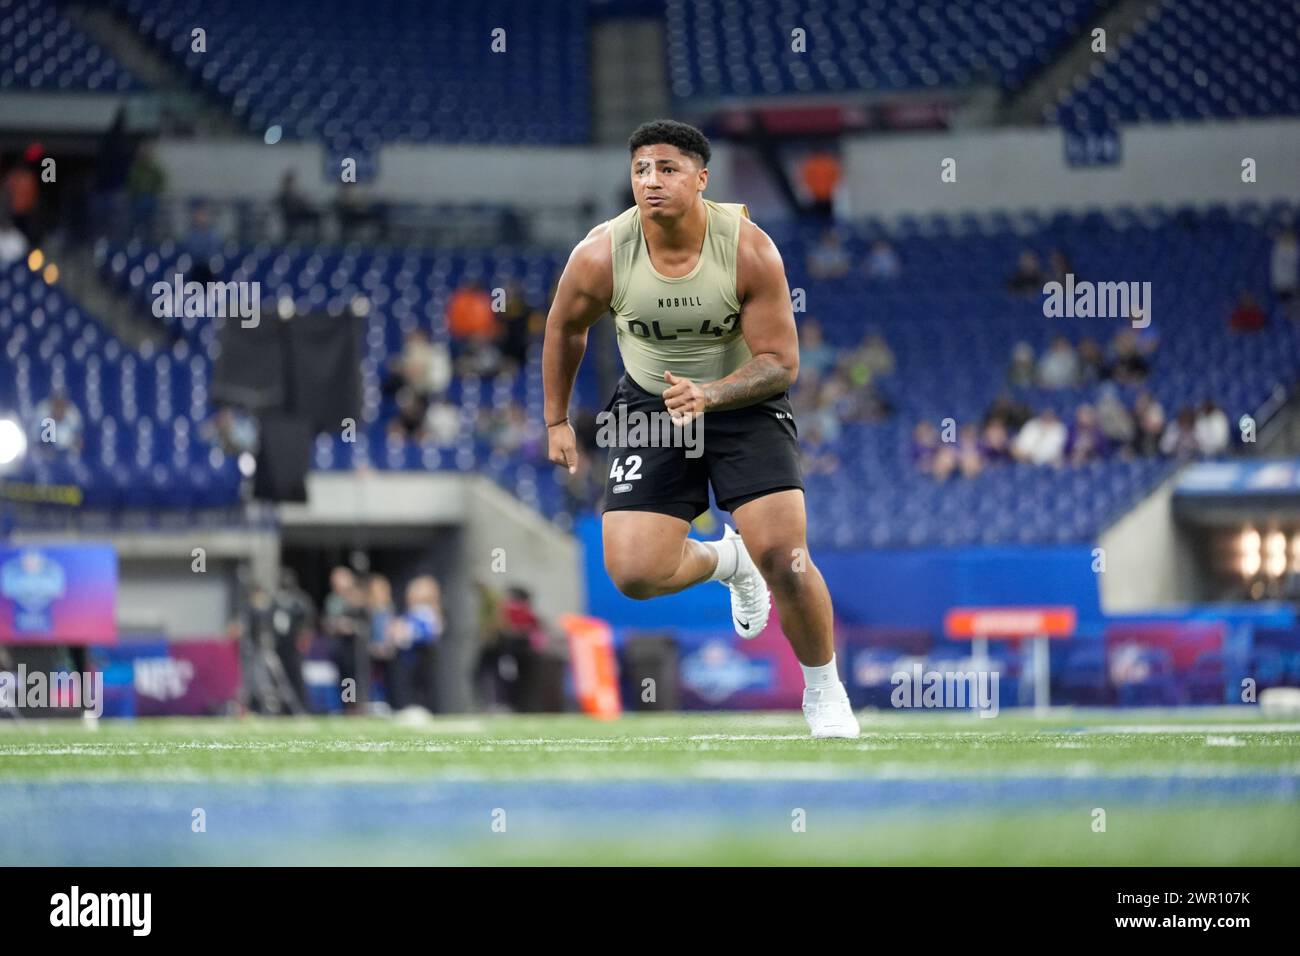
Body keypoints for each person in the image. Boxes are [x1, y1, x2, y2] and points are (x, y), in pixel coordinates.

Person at [542, 119, 858, 737]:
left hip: (742, 400)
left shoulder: (748, 248)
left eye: (667, 169)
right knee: (633, 574)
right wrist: (556, 419)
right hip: (650, 401)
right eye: (640, 170)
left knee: (786, 559)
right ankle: (728, 562)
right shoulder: (602, 252)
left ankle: (824, 692)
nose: (650, 182)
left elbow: (781, 364)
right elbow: (564, 329)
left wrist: (710, 393)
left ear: (702, 178)